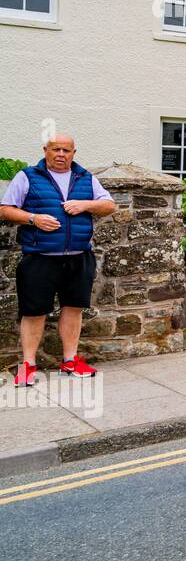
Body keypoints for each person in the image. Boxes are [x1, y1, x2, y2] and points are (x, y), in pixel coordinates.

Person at [0, 135, 117, 386]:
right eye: (55, 149)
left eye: (66, 150)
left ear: (74, 152)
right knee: (33, 312)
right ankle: (28, 365)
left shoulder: (85, 177)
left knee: (73, 308)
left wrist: (85, 205)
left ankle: (70, 361)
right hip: (39, 257)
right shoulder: (28, 176)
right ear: (46, 150)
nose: (61, 154)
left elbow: (109, 205)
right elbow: (5, 208)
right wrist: (34, 219)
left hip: (78, 257)